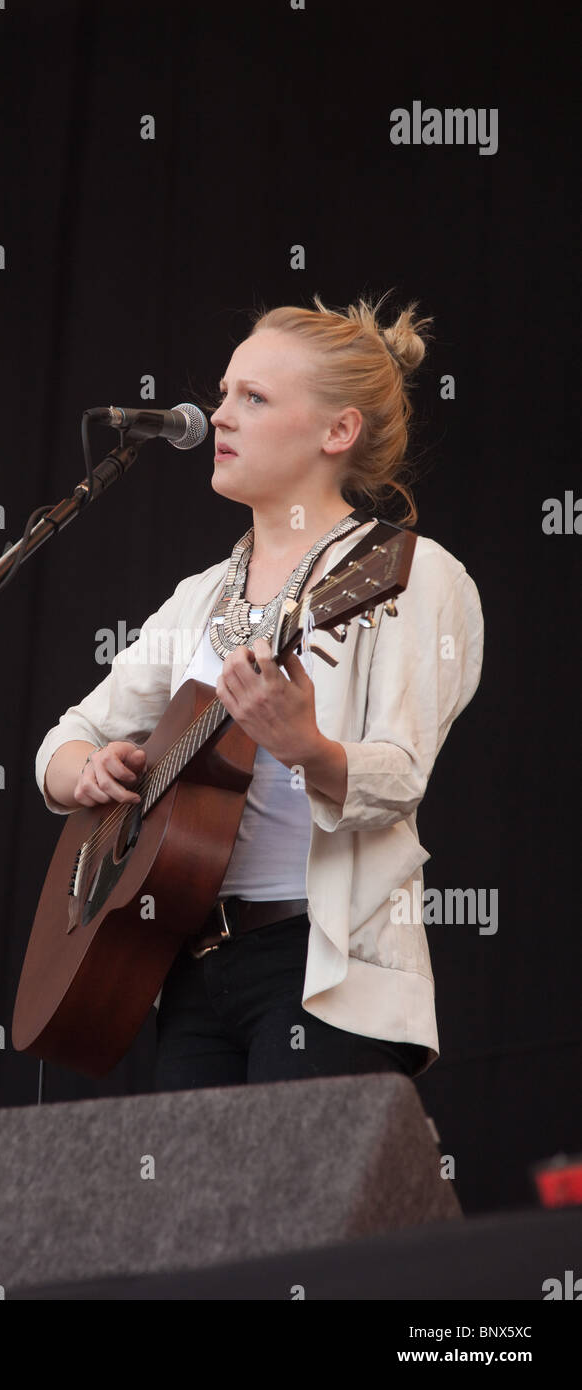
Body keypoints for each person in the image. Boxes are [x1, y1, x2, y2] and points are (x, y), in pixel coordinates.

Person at [35, 293, 484, 1091]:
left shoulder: (410, 575)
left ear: (337, 431)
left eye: (254, 398)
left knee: (304, 1213)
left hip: (325, 972)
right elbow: (69, 735)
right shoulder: (202, 596)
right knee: (190, 1215)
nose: (220, 418)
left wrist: (303, 745)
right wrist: (86, 772)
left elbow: (401, 773)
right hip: (188, 966)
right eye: (223, 394)